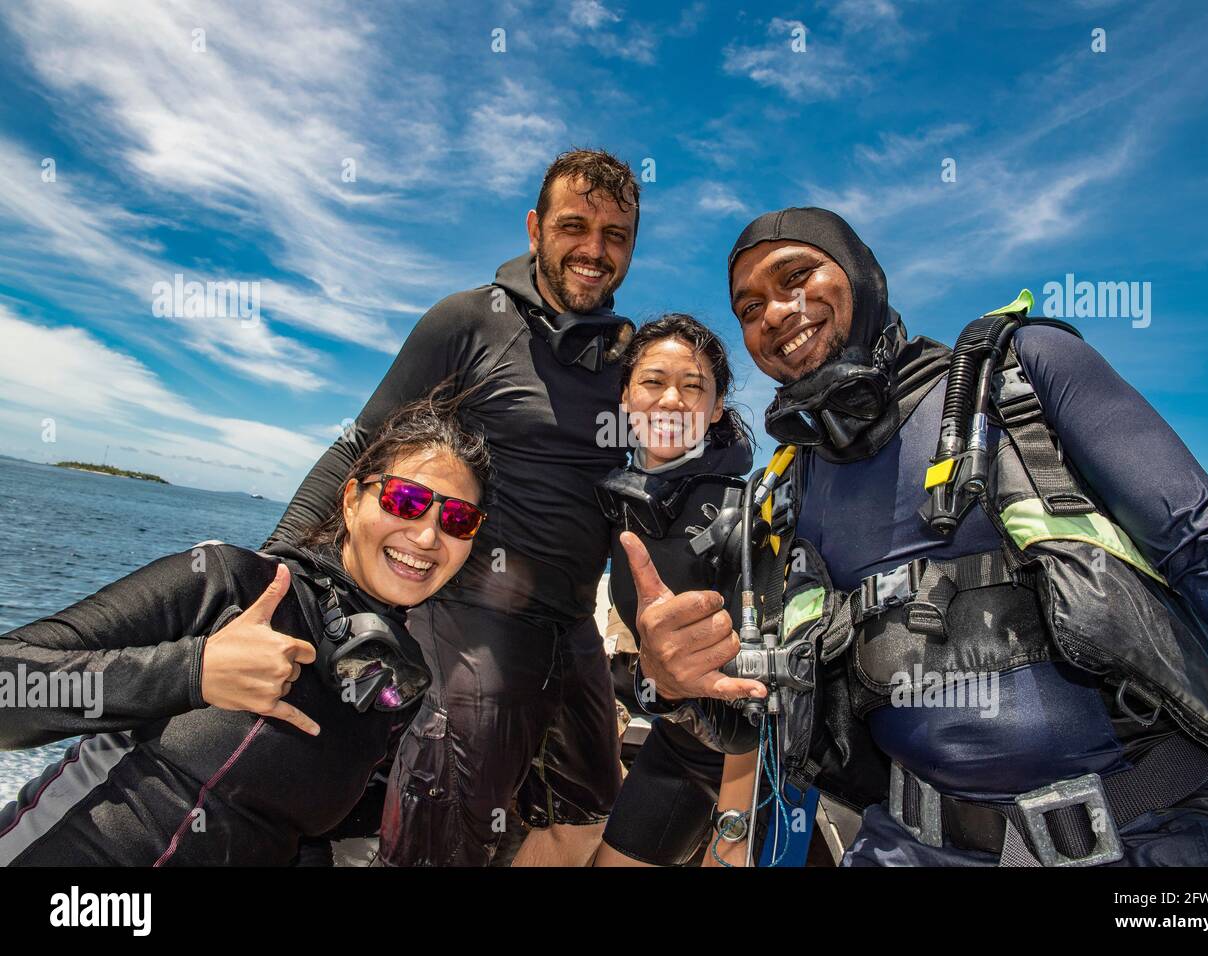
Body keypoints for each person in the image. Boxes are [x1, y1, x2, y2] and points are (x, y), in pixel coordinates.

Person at [625, 206, 1208, 866]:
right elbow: (755, 719)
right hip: (904, 844)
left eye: (797, 276)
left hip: (1144, 839)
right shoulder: (787, 491)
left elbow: (1206, 542)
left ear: (861, 275)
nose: (776, 312)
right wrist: (675, 682)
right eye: (750, 308)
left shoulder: (1020, 375)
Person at [267, 149, 638, 866]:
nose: (594, 250)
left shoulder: (624, 356)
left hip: (575, 631)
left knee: (592, 805)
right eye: (574, 227)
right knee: (447, 832)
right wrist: (275, 570)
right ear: (535, 229)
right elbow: (359, 447)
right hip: (473, 615)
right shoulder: (469, 319)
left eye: (615, 234)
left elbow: (680, 448)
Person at [0, 393, 490, 865]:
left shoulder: (392, 679)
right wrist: (194, 672)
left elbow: (297, 835)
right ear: (351, 500)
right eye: (405, 500)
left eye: (458, 519)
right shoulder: (231, 581)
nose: (428, 535)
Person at [588, 313, 757, 867]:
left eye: (693, 388)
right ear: (625, 396)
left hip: (758, 759)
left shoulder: (748, 512)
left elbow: (765, 694)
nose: (671, 401)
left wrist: (732, 831)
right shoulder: (621, 501)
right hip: (680, 740)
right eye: (653, 382)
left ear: (716, 410)